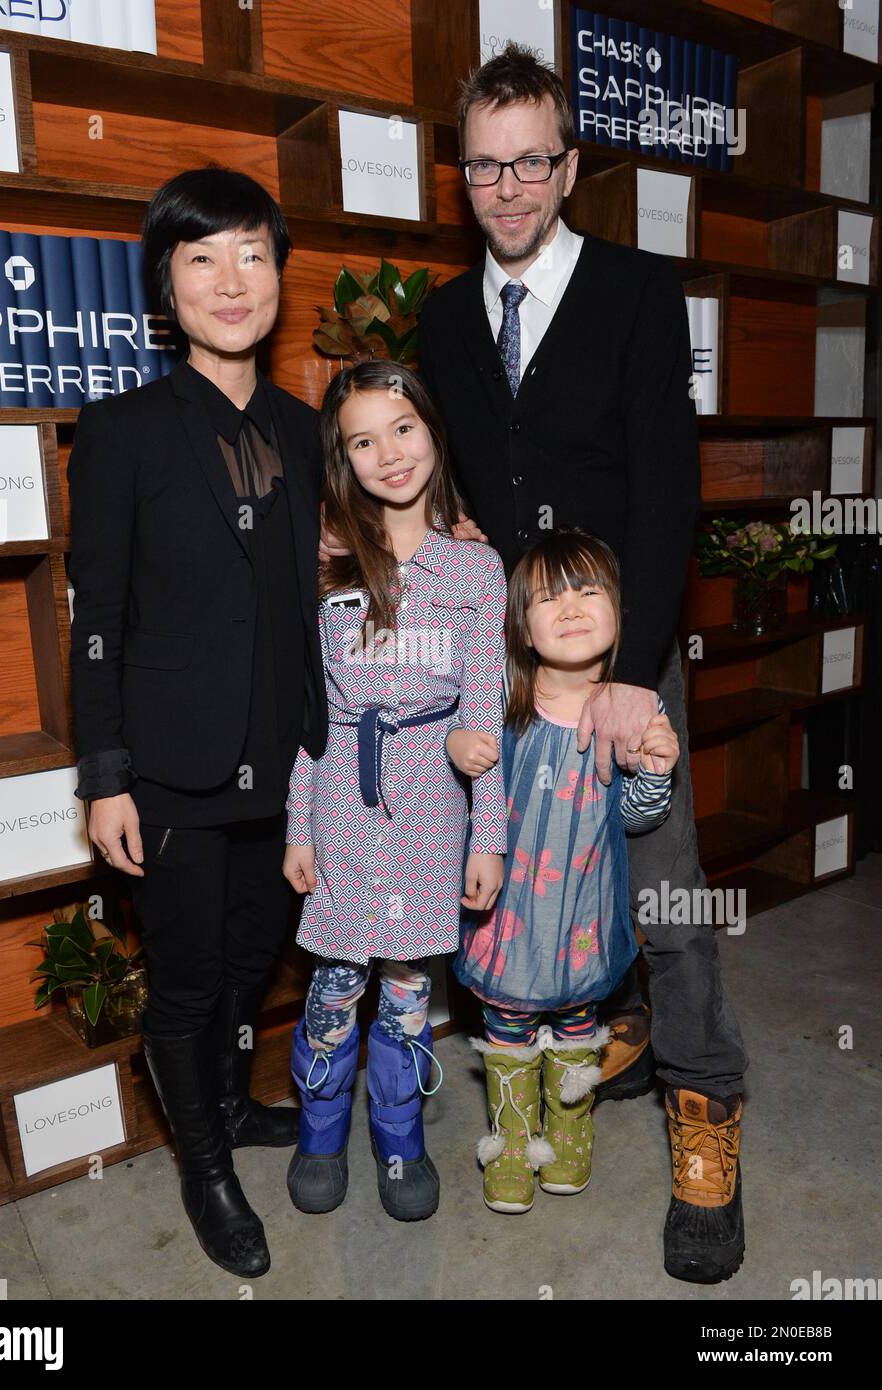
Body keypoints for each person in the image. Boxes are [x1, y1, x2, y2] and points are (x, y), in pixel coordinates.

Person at [415, 43, 748, 1281]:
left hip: (617, 652)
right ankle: (574, 1037)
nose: (508, 188)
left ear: (568, 166)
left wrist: (633, 668)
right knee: (527, 874)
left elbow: (669, 491)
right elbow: (456, 476)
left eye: (531, 162)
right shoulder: (447, 316)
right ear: (463, 176)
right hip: (505, 671)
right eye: (484, 165)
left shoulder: (638, 294)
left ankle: (706, 1107)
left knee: (661, 885)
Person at [66, 165, 328, 1279]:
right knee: (183, 976)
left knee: (250, 957)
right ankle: (205, 1167)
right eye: (202, 257)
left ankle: (227, 1099)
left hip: (288, 760)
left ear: (277, 273)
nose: (232, 280)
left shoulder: (310, 432)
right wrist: (105, 770)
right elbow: (96, 616)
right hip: (167, 769)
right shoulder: (121, 431)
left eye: (253, 254)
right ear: (165, 289)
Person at [282, 359, 507, 1222]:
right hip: (341, 800)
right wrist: (300, 828)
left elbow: (485, 720)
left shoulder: (475, 573)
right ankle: (320, 1131)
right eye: (362, 440)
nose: (388, 453)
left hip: (432, 809)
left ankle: (402, 1141)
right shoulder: (329, 568)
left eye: (402, 428)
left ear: (433, 434)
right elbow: (314, 719)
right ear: (344, 460)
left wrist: (487, 837)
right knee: (336, 983)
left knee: (409, 991)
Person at [448, 528, 677, 1213]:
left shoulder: (635, 710)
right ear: (519, 624)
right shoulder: (501, 700)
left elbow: (636, 819)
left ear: (620, 611)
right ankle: (513, 1147)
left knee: (578, 1023)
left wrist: (656, 774)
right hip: (510, 916)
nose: (571, 607)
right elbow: (457, 790)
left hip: (584, 912)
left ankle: (569, 1136)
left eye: (589, 590)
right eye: (549, 597)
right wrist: (456, 744)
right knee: (509, 1027)